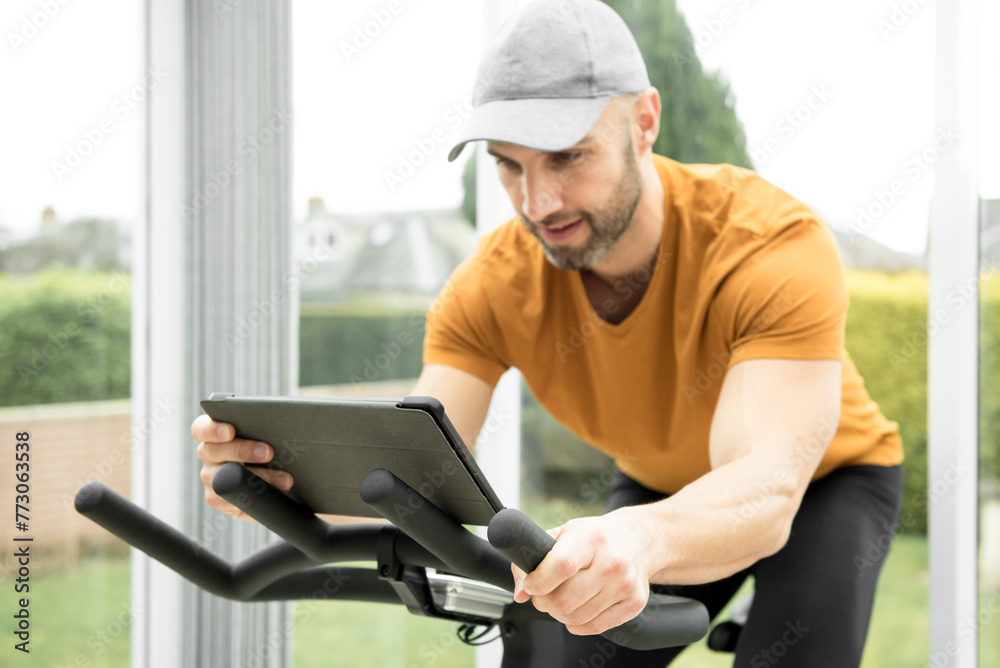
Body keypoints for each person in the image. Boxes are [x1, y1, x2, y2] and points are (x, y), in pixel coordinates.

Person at [193, 1, 904, 665]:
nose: (538, 203)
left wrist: (639, 537)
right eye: (509, 165)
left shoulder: (768, 245)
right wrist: (291, 478)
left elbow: (762, 486)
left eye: (567, 156)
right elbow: (417, 464)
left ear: (645, 121)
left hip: (824, 484)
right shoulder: (492, 285)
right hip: (657, 482)